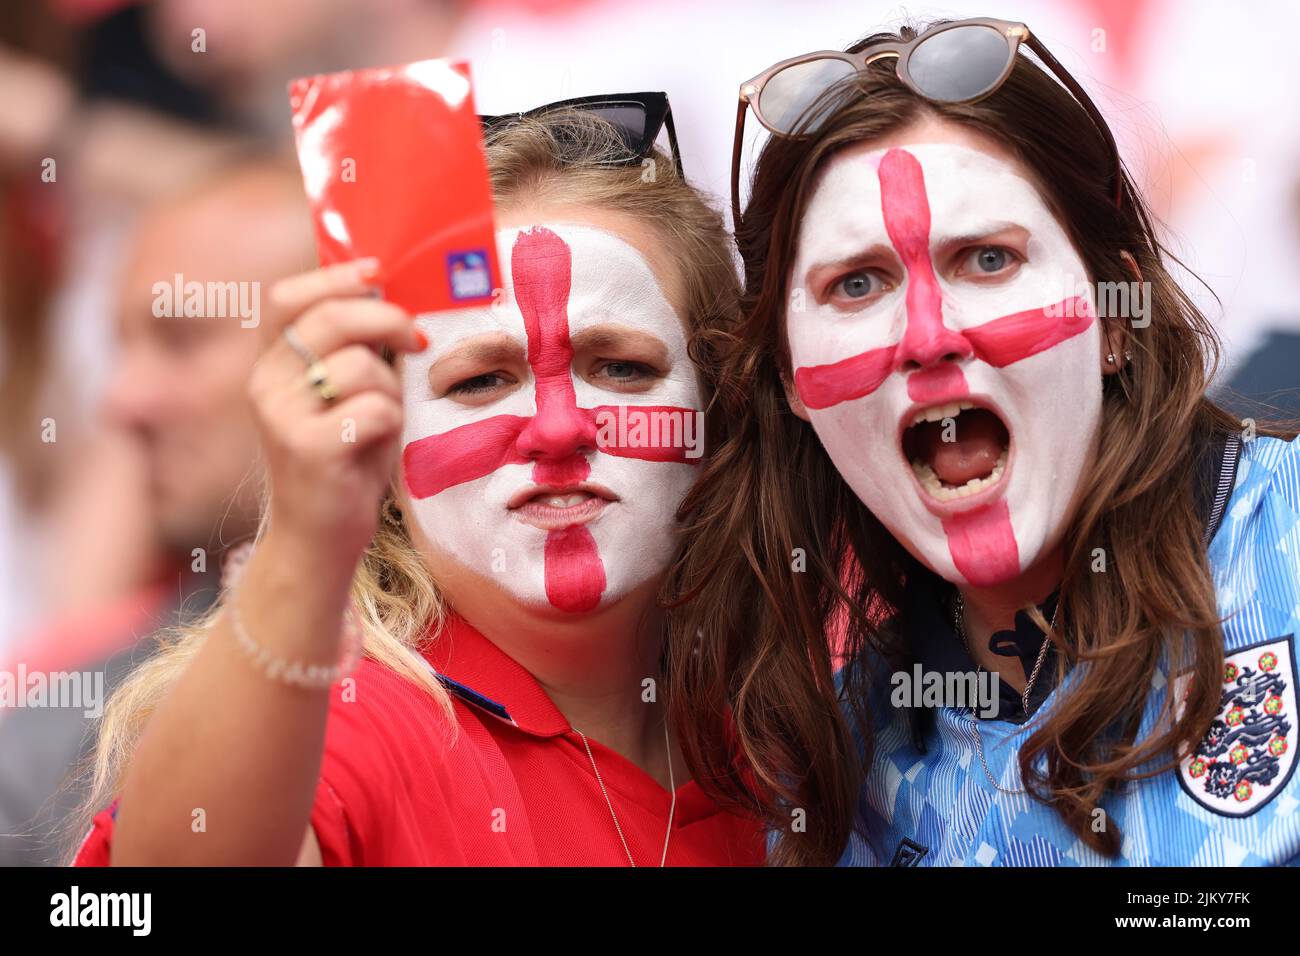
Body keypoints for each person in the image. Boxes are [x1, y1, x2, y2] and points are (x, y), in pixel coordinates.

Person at [668, 18, 1300, 866]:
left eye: (989, 260)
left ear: (1115, 316)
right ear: (791, 383)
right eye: (857, 283)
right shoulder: (843, 761)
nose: (928, 337)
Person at [72, 103, 764, 866]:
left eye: (622, 366)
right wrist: (305, 544)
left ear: (720, 403)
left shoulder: (796, 740)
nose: (559, 427)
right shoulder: (347, 729)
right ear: (387, 445)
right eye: (480, 380)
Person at [0, 156, 312, 865]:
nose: (122, 400)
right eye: (121, 348)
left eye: (180, 340)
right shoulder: (66, 733)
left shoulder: (551, 641)